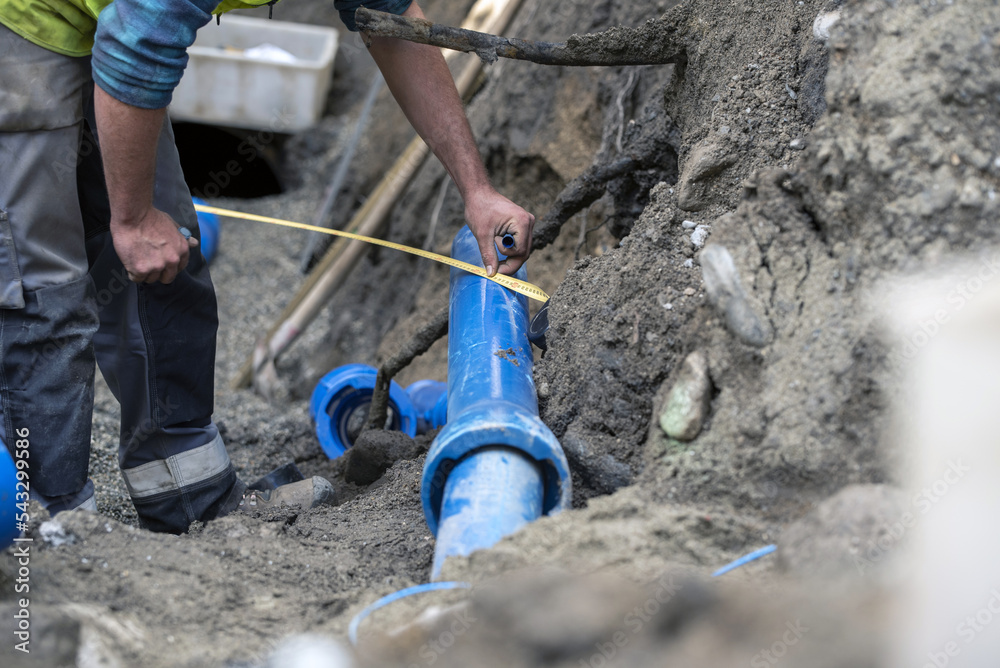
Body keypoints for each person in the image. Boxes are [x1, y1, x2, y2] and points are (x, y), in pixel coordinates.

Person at [0, 0, 534, 533]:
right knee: (44, 296)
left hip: (116, 28)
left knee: (169, 258)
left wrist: (477, 189)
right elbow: (136, 46)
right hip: (24, 28)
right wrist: (133, 219)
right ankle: (47, 523)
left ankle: (191, 498)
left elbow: (394, 29)